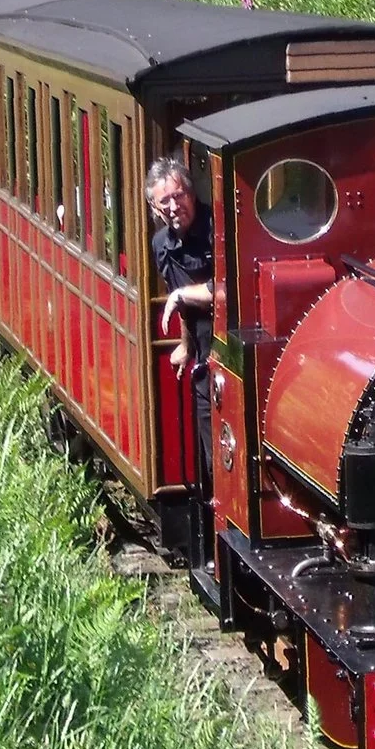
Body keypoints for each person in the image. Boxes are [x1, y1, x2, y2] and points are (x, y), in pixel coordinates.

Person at [145, 158, 215, 499]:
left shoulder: (219, 229)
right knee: (211, 452)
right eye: (165, 201)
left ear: (191, 193)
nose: (174, 206)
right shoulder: (161, 244)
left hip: (232, 351)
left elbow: (232, 288)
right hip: (203, 358)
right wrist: (186, 346)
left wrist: (182, 295)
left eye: (179, 195)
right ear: (155, 208)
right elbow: (183, 307)